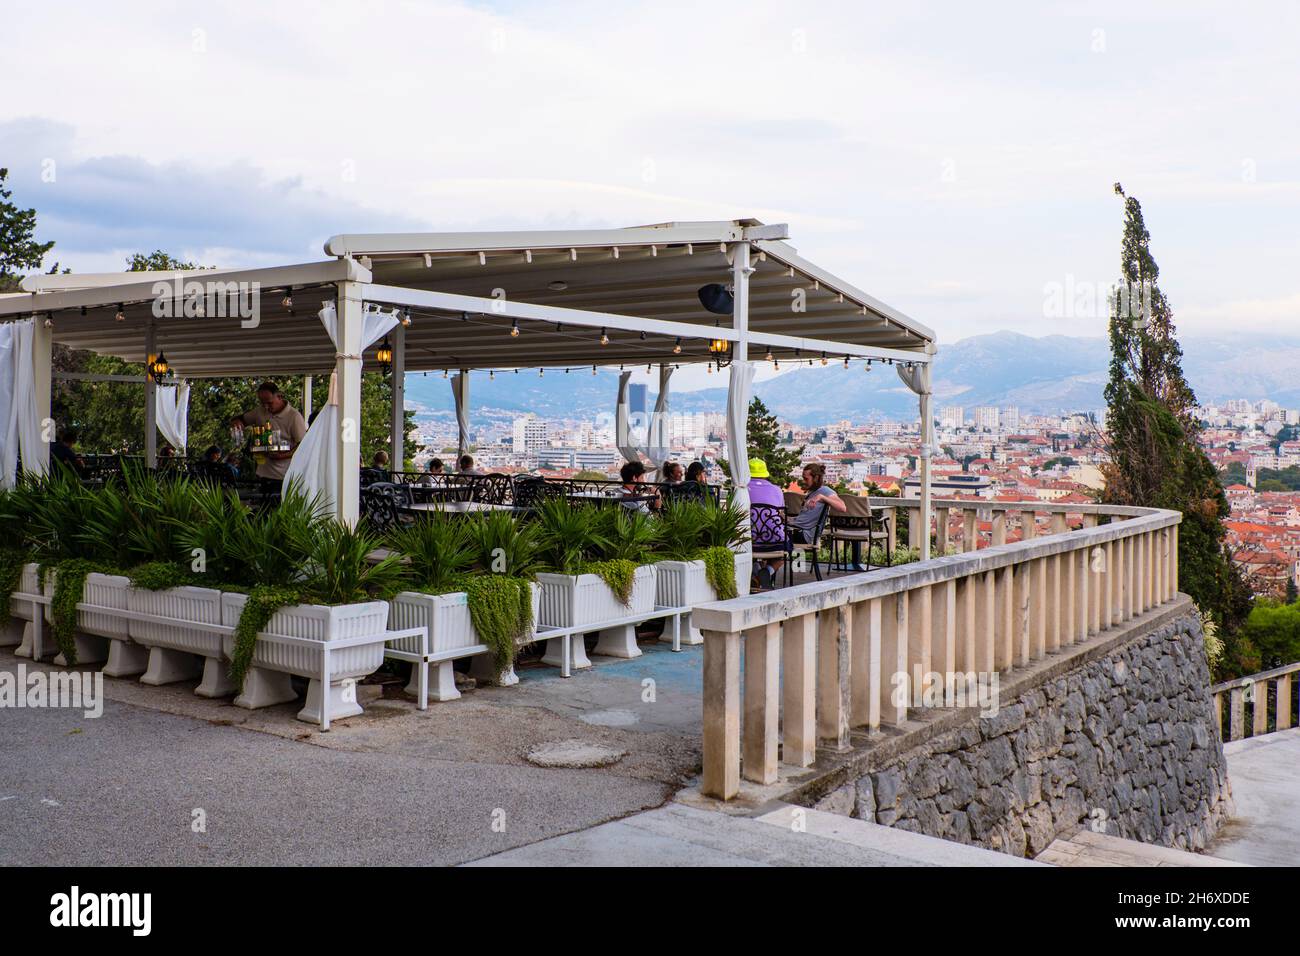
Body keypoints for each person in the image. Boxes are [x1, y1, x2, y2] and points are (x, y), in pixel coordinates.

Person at [229, 381, 307, 497]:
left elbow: (303, 446)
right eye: (262, 403)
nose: (266, 407)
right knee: (265, 511)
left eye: (269, 403)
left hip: (285, 476)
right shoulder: (260, 411)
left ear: (279, 396)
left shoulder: (294, 416)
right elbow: (242, 419)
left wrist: (282, 455)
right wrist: (237, 423)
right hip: (263, 474)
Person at [747, 458, 787, 589]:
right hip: (773, 542)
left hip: (748, 541)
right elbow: (781, 515)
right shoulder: (777, 490)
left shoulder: (741, 489)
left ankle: (756, 574)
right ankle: (766, 572)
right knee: (785, 551)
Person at [791, 462, 846, 543]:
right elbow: (803, 519)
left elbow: (842, 507)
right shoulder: (812, 493)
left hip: (804, 535)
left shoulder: (825, 491)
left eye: (806, 479)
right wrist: (786, 518)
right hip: (797, 529)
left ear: (816, 478)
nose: (804, 481)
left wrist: (822, 497)